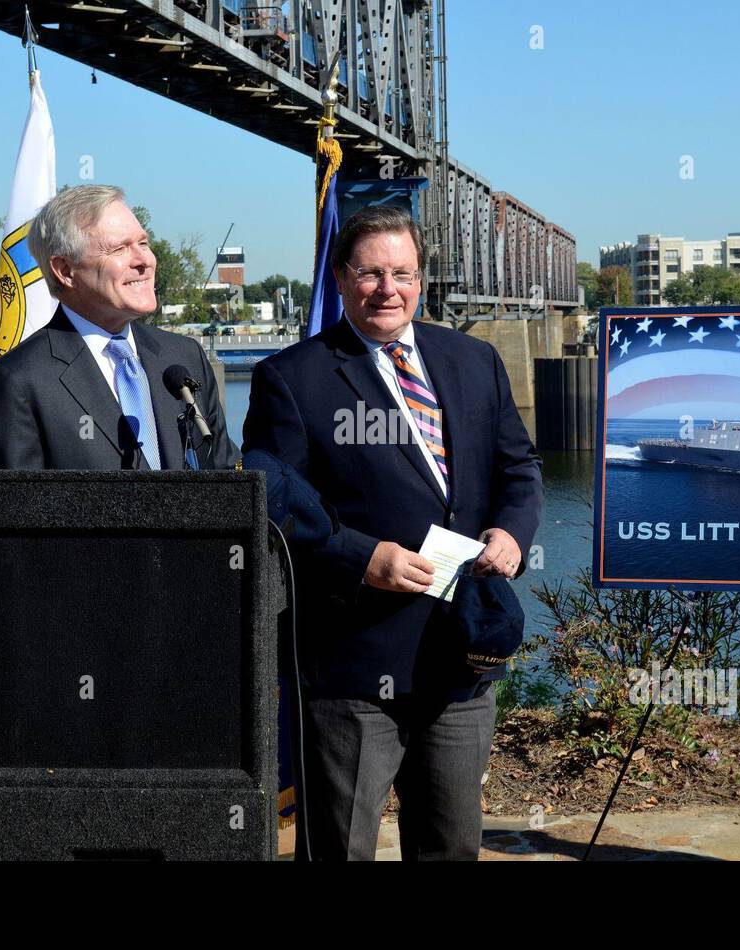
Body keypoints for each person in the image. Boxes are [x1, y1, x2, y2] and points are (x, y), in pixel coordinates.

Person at [243, 205, 542, 860]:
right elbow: (273, 499)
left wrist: (513, 536)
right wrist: (361, 557)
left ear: (421, 280)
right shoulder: (291, 380)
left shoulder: (475, 361)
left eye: (402, 273)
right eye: (371, 273)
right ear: (343, 279)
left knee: (450, 847)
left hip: (461, 660)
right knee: (340, 849)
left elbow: (518, 470)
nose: (388, 289)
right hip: (353, 667)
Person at [0, 184, 238, 471]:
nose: (144, 261)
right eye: (119, 248)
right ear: (64, 270)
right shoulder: (17, 382)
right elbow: (14, 512)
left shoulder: (183, 358)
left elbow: (225, 472)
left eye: (143, 243)